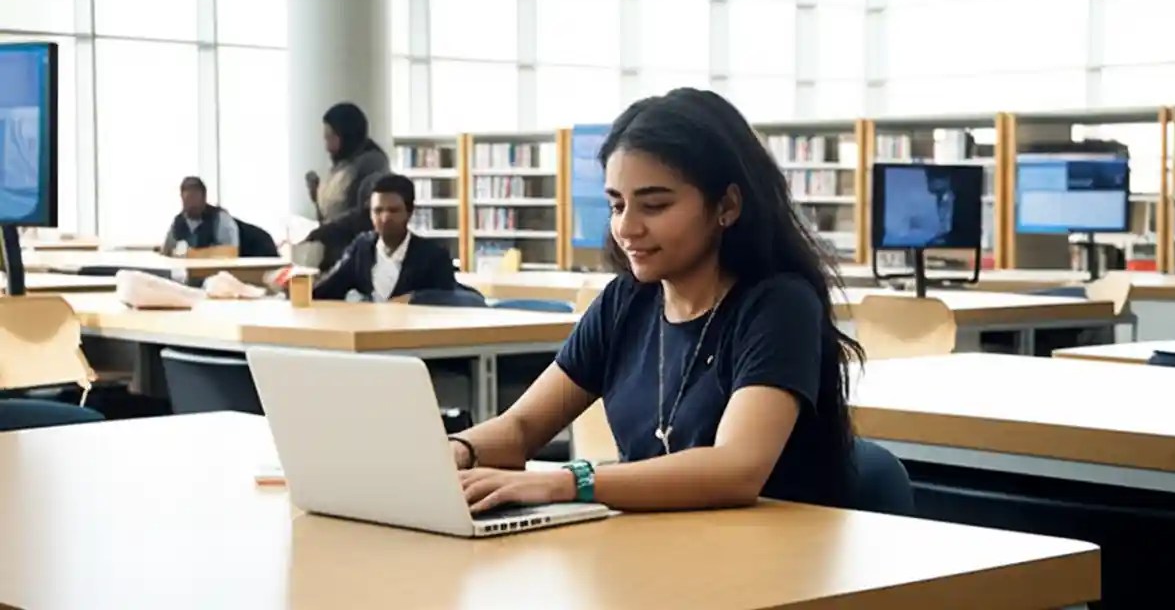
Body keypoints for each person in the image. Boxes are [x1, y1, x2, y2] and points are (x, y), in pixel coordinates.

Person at [449, 88, 864, 515]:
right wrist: (456, 453)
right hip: (655, 550)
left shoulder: (779, 305)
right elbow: (522, 426)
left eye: (654, 205)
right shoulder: (625, 302)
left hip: (771, 560)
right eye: (616, 205)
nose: (626, 228)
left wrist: (567, 482)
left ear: (727, 205)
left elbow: (736, 469)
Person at [313, 173, 456, 302]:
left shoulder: (433, 255)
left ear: (410, 212)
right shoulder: (361, 248)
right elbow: (329, 287)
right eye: (378, 211)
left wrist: (414, 299)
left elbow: (447, 299)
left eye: (393, 210)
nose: (385, 218)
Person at [305, 102, 391, 270]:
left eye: (331, 138)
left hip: (358, 255)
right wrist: (316, 196)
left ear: (346, 135)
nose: (327, 146)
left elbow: (364, 214)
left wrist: (326, 230)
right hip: (334, 252)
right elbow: (328, 215)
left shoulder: (371, 164)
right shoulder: (340, 164)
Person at [161, 177, 239, 256]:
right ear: (182, 198)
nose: (192, 205)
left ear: (204, 197)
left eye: (195, 198)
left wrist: (193, 255)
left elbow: (231, 252)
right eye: (188, 199)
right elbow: (166, 252)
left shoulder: (221, 220)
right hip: (184, 267)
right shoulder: (178, 222)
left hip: (215, 267)